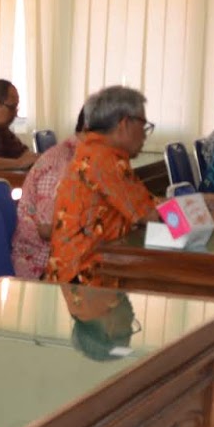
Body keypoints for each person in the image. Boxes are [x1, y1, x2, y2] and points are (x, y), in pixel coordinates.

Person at [44, 87, 159, 285]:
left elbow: (145, 202)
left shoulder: (96, 151)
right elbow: (149, 214)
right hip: (84, 280)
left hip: (89, 269)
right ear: (125, 123)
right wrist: (204, 216)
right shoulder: (104, 159)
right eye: (143, 125)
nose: (145, 135)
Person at [11, 111, 86, 279]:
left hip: (70, 260)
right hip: (43, 269)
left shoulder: (94, 160)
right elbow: (48, 230)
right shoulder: (60, 165)